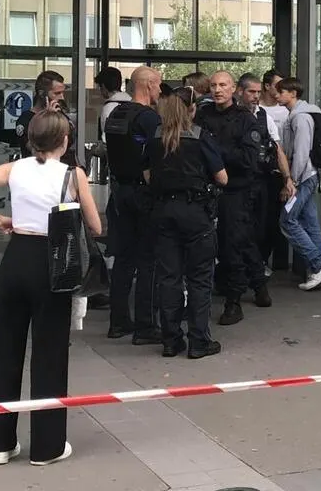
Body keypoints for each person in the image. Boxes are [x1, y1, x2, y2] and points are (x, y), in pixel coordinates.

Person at [0, 110, 101, 466]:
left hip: (15, 259)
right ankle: (47, 446)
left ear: (30, 139)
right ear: (64, 141)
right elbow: (95, 226)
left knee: (5, 352)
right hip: (51, 263)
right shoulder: (72, 174)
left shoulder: (14, 168)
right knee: (49, 354)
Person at [146, 87, 227, 359]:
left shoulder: (155, 138)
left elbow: (147, 176)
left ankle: (171, 340)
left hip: (163, 211)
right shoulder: (200, 136)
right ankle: (198, 341)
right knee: (199, 278)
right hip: (195, 213)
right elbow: (223, 178)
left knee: (169, 278)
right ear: (191, 110)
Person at [195, 71, 269, 325]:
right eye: (213, 85)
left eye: (223, 85)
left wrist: (214, 153)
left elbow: (249, 159)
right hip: (207, 189)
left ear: (233, 88)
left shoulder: (245, 119)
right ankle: (257, 284)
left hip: (236, 190)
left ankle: (234, 301)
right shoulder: (202, 115)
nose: (217, 90)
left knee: (234, 244)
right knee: (226, 242)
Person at [103, 66, 163, 344]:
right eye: (158, 85)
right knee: (148, 259)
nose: (160, 90)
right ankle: (145, 327)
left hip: (119, 192)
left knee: (124, 259)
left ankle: (118, 322)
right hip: (143, 193)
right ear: (148, 85)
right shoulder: (149, 118)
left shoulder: (115, 114)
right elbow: (157, 156)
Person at [277, 77, 321, 290]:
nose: (277, 95)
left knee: (287, 220)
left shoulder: (300, 118)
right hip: (308, 176)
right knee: (311, 224)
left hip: (303, 177)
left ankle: (318, 265)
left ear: (293, 93)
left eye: (281, 91)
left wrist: (291, 180)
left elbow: (301, 152)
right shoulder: (303, 114)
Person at [237, 73, 294, 273]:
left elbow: (278, 149)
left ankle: (259, 263)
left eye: (258, 92)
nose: (255, 96)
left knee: (263, 224)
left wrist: (287, 178)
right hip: (237, 179)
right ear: (240, 92)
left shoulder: (264, 117)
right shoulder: (232, 115)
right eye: (251, 92)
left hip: (262, 178)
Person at [95, 66, 131, 140]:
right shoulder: (132, 102)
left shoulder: (109, 107)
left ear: (103, 86)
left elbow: (106, 138)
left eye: (100, 87)